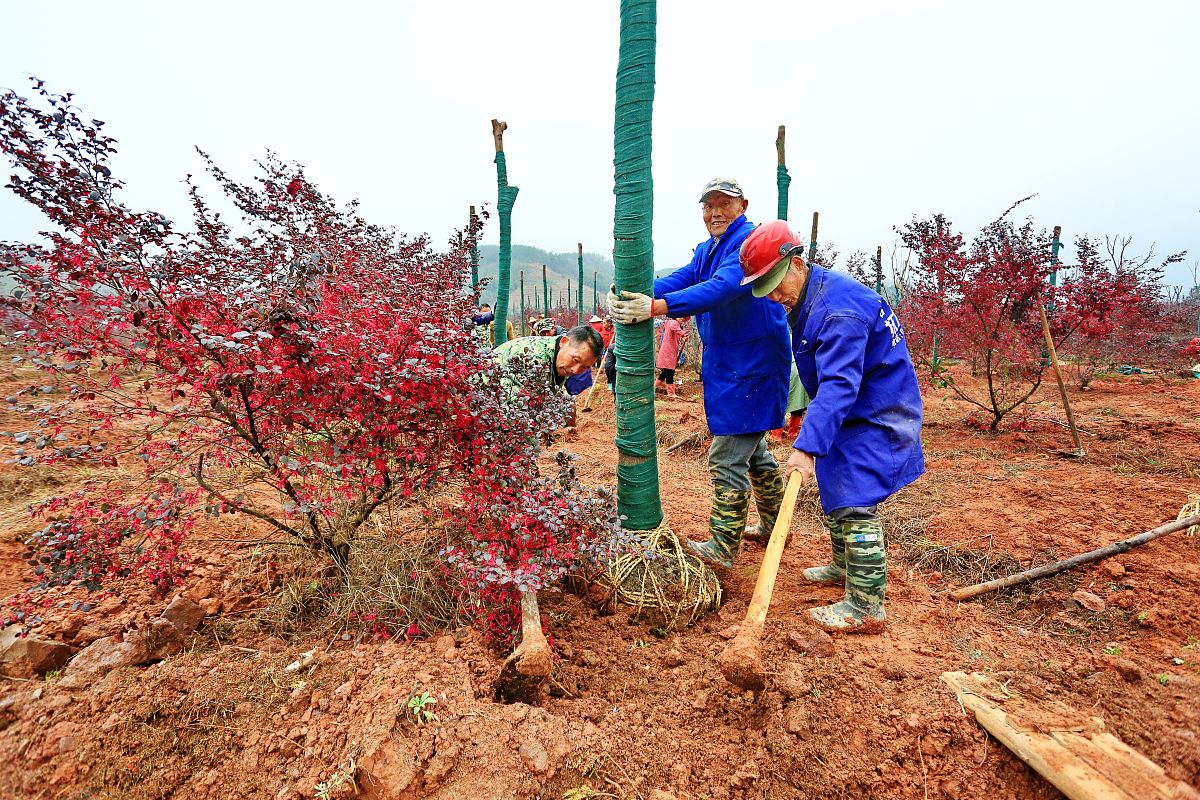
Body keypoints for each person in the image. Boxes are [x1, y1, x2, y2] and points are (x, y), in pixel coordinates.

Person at [739, 219, 925, 631]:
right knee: (837, 481)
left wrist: (805, 448)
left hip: (880, 411)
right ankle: (844, 567)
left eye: (776, 284)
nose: (774, 297)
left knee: (855, 497)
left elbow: (840, 385)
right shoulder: (814, 294)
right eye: (764, 289)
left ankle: (865, 605)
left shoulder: (838, 310)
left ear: (798, 263)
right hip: (856, 406)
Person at [608, 177, 792, 568]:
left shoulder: (745, 244)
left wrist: (657, 306)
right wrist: (632, 289)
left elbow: (723, 287)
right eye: (708, 205)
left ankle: (723, 548)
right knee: (753, 451)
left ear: (743, 205)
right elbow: (686, 277)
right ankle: (777, 526)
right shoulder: (710, 248)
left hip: (753, 364)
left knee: (728, 455)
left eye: (724, 204)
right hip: (731, 362)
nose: (715, 212)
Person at [492, 324, 603, 402]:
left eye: (584, 367)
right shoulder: (534, 359)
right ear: (564, 342)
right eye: (576, 360)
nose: (575, 370)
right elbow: (518, 411)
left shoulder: (560, 356)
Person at [654, 315, 689, 399]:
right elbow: (674, 328)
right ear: (675, 316)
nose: (682, 318)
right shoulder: (673, 322)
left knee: (666, 370)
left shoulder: (674, 323)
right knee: (670, 371)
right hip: (668, 350)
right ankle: (671, 393)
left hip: (670, 350)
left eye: (683, 318)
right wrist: (683, 334)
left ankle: (655, 385)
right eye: (680, 316)